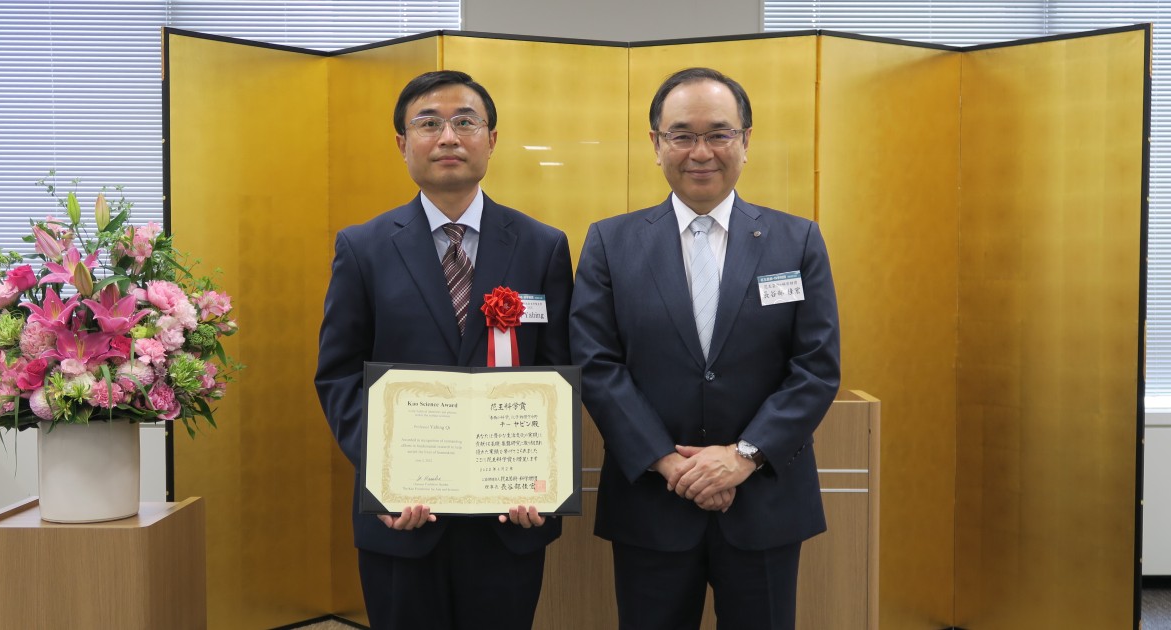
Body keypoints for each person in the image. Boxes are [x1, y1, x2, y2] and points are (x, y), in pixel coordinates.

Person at [569, 67, 840, 630]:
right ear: (655, 143)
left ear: (745, 140)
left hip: (763, 502)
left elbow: (815, 368)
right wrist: (672, 465)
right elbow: (597, 366)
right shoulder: (609, 243)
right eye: (682, 135)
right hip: (651, 503)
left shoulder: (799, 240)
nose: (701, 152)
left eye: (718, 133)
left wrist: (741, 457)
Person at [314, 70, 573, 629]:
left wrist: (544, 481)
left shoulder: (542, 245)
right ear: (403, 144)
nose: (449, 137)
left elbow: (558, 370)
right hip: (403, 519)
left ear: (492, 138)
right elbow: (338, 376)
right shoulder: (363, 248)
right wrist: (385, 477)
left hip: (510, 518)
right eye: (428, 123)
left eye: (465, 122)